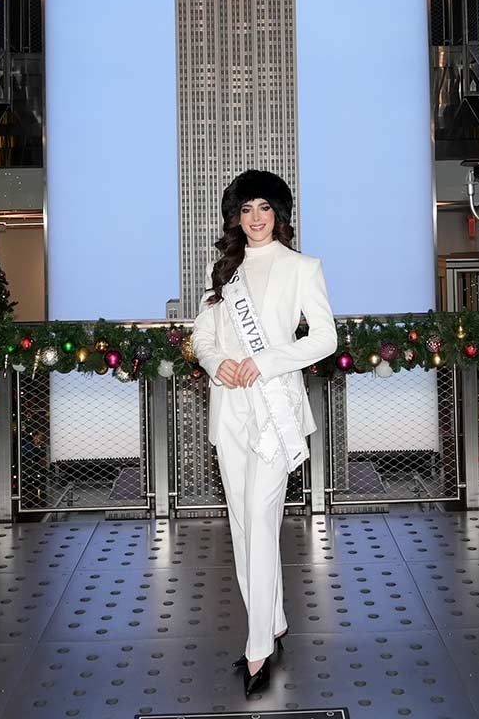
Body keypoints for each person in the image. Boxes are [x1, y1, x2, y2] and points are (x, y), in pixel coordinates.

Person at [190, 169, 337, 696]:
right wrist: (217, 363)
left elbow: (324, 338)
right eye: (246, 210)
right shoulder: (222, 269)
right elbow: (202, 335)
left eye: (264, 209)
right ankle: (272, 619)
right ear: (236, 216)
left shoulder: (303, 268)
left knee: (260, 522)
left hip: (275, 411)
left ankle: (257, 652)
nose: (255, 219)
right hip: (231, 408)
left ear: (279, 214)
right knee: (242, 525)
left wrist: (265, 360)